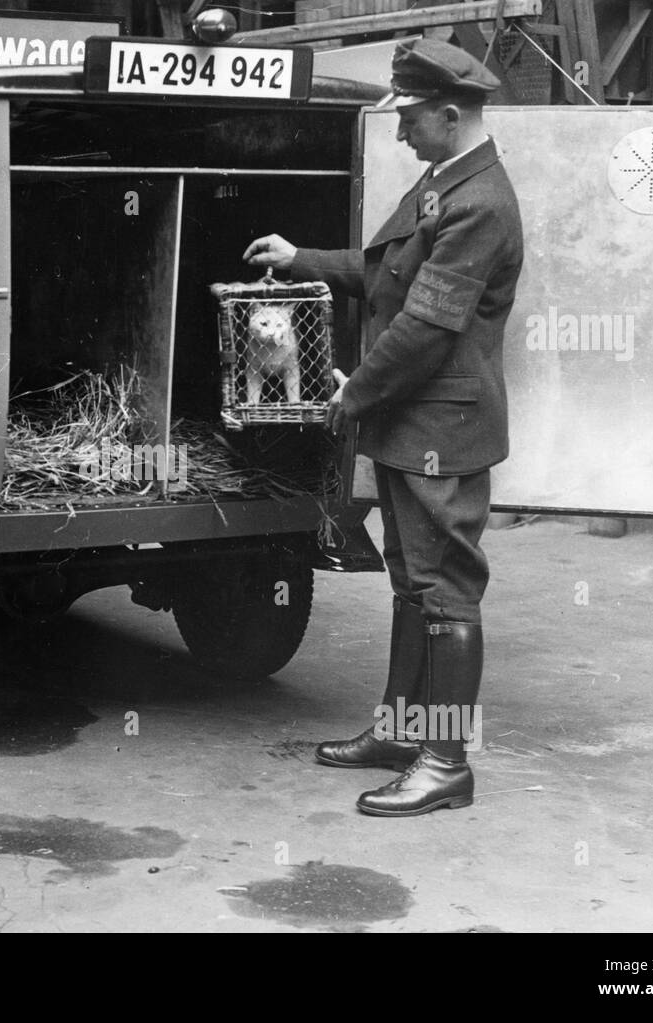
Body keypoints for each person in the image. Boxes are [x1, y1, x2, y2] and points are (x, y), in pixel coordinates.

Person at [243, 38, 524, 817]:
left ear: (449, 113)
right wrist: (303, 257)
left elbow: (428, 328)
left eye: (409, 118)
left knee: (446, 593)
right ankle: (403, 734)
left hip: (442, 428)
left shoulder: (480, 204)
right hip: (412, 426)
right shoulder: (444, 183)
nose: (398, 131)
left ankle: (445, 761)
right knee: (412, 582)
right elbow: (388, 273)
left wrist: (353, 394)